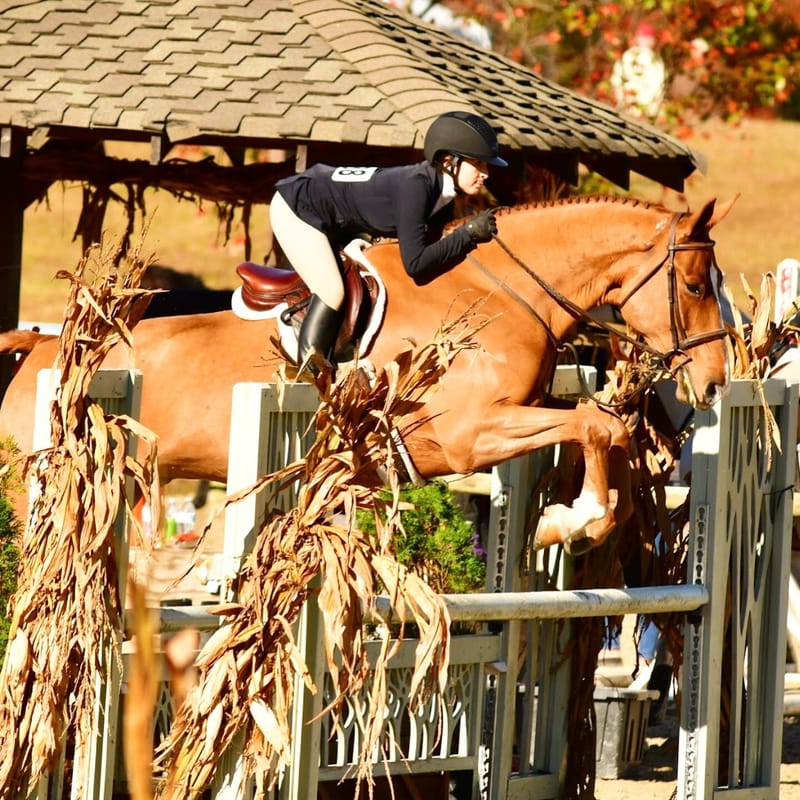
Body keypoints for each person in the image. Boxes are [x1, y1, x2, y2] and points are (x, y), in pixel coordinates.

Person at [269, 110, 507, 372]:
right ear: (449, 161)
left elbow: (435, 254)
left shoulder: (442, 196)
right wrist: (469, 233)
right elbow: (415, 264)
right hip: (298, 207)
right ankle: (312, 373)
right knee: (331, 290)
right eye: (479, 164)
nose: (486, 173)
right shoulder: (416, 187)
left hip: (337, 218)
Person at [610, 22, 666, 122]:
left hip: (630, 104)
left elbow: (617, 79)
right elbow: (659, 85)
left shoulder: (629, 55)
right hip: (642, 106)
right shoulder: (654, 59)